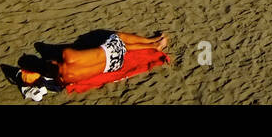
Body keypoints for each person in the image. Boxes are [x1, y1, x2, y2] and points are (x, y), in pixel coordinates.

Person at [19, 31, 168, 88]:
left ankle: (154, 45)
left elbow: (53, 77)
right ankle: (152, 42)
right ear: (51, 61)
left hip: (114, 65)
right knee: (119, 38)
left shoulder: (66, 80)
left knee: (121, 47)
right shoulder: (67, 55)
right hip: (110, 52)